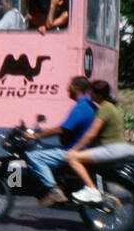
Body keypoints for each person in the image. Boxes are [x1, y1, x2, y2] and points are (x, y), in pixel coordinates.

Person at [25, 76, 96, 206]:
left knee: (33, 156)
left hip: (73, 150)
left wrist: (37, 136)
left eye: (70, 85)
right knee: (46, 150)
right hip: (82, 148)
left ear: (77, 88)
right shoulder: (89, 105)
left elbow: (61, 130)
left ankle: (54, 190)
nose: (67, 88)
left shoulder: (81, 107)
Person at [67, 80, 134, 204]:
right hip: (122, 148)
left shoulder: (104, 108)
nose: (90, 95)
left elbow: (91, 133)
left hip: (111, 149)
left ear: (98, 95)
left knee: (72, 157)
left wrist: (75, 149)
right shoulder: (114, 106)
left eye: (91, 92)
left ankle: (92, 190)